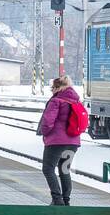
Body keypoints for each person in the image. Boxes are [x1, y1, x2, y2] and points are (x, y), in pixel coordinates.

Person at [36, 75, 85, 206]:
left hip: (56, 142)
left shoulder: (56, 101)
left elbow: (47, 122)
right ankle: (66, 199)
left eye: (52, 87)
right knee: (64, 170)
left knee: (48, 168)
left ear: (57, 87)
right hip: (73, 143)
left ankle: (57, 199)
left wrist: (45, 134)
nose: (52, 90)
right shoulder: (76, 101)